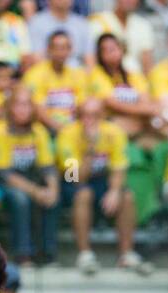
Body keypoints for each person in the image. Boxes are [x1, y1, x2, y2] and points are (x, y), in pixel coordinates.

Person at [56, 96, 148, 275]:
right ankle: (85, 254)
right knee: (84, 194)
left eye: (95, 115)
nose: (89, 121)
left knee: (126, 196)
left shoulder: (114, 132)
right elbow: (73, 177)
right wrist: (90, 149)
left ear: (103, 116)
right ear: (78, 116)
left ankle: (127, 254)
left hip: (102, 180)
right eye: (85, 115)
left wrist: (114, 191)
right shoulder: (67, 134)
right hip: (72, 183)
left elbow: (119, 167)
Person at [0, 86, 58, 265]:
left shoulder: (38, 131)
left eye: (27, 105)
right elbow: (3, 173)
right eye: (18, 105)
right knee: (21, 198)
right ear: (9, 107)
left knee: (53, 197)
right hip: (3, 182)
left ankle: (48, 253)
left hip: (31, 179)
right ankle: (23, 254)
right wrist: (36, 191)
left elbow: (48, 167)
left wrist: (52, 189)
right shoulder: (0, 131)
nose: (23, 109)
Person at [24, 29, 87, 134]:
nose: (60, 52)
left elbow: (82, 105)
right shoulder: (35, 74)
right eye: (56, 48)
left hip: (73, 128)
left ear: (70, 50)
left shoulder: (78, 75)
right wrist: (59, 128)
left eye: (64, 48)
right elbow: (37, 109)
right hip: (45, 128)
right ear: (48, 49)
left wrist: (72, 128)